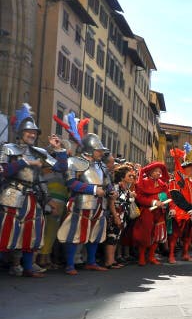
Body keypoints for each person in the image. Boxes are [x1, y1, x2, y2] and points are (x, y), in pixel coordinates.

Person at [0, 104, 68, 277]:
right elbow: (4, 171)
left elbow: (60, 167)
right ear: (21, 133)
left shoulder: (40, 152)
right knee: (9, 231)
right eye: (29, 132)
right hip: (13, 193)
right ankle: (13, 264)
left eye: (34, 133)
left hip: (34, 196)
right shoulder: (8, 148)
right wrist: (25, 162)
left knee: (33, 232)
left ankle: (28, 267)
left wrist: (59, 149)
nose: (32, 135)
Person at [57, 125, 113, 275]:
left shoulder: (101, 166)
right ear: (89, 149)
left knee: (96, 233)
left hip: (100, 204)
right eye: (98, 150)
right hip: (80, 203)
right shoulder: (74, 162)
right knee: (74, 233)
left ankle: (91, 262)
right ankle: (70, 264)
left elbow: (107, 183)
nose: (101, 153)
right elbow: (71, 183)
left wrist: (109, 190)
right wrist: (93, 189)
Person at [131, 162, 169, 266]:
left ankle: (152, 256)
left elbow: (168, 196)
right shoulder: (143, 182)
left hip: (160, 212)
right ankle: (142, 257)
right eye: (156, 171)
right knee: (145, 234)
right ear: (150, 173)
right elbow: (139, 198)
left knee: (158, 235)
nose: (158, 173)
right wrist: (153, 202)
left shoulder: (162, 184)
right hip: (147, 212)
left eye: (159, 171)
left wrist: (167, 205)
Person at [168, 146, 192, 263]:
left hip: (190, 213)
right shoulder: (175, 182)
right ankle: (171, 255)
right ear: (183, 169)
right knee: (175, 235)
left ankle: (185, 254)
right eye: (190, 168)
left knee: (188, 235)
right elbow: (177, 198)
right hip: (178, 212)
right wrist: (190, 208)